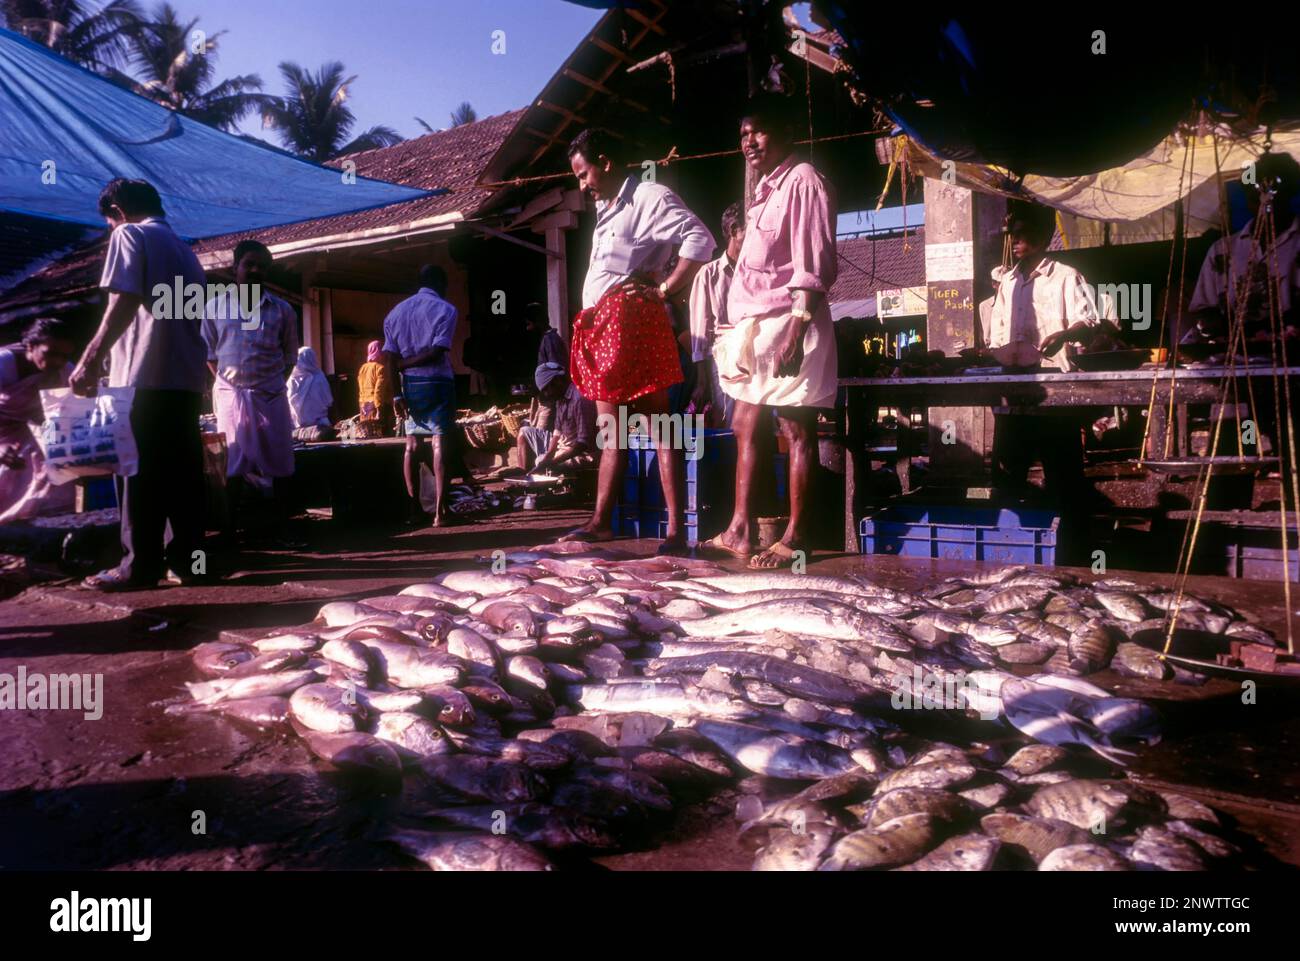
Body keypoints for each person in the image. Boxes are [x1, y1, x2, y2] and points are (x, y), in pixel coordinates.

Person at [562, 127, 715, 554]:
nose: (582, 184)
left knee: (659, 427)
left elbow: (700, 239)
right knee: (610, 430)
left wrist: (665, 288)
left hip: (635, 325)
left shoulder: (650, 197)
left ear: (606, 163)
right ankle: (600, 523)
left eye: (583, 173)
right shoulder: (607, 208)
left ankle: (675, 531)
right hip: (603, 326)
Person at [705, 96, 838, 568]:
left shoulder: (803, 180)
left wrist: (797, 330)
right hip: (758, 328)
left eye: (758, 131)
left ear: (784, 133)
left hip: (791, 322)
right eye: (743, 134)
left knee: (795, 428)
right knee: (744, 421)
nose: (749, 141)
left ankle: (798, 534)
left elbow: (815, 264)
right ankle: (740, 528)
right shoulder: (765, 190)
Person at [69, 178, 209, 591]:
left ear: (117, 211)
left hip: (141, 377)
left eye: (109, 222)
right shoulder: (186, 251)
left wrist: (90, 359)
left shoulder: (130, 234)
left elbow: (123, 300)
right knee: (183, 476)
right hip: (184, 380)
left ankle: (139, 565)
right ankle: (188, 563)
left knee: (138, 474)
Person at [984, 201, 1099, 504]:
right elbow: (997, 334)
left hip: (1055, 388)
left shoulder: (1066, 276)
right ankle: (1017, 540)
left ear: (1044, 236)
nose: (1015, 241)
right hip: (1014, 386)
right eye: (1012, 234)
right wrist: (991, 353)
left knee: (1063, 475)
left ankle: (1069, 539)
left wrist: (1066, 334)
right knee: (1009, 474)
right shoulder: (1007, 283)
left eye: (1023, 233)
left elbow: (1088, 322)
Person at [202, 240, 298, 537]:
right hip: (230, 397)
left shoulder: (282, 310)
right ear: (236, 268)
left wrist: (267, 387)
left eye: (262, 266)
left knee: (281, 463)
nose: (256, 270)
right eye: (250, 264)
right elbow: (210, 355)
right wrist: (234, 388)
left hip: (271, 396)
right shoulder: (214, 306)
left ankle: (285, 529)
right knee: (232, 465)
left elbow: (289, 357)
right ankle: (230, 533)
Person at [383, 264, 461, 526]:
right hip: (437, 381)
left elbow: (390, 360)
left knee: (411, 445)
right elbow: (438, 350)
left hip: (409, 387)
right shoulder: (447, 310)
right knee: (440, 443)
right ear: (442, 285)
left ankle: (414, 509)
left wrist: (396, 395)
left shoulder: (395, 313)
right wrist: (404, 366)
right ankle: (440, 512)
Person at [0, 318, 77, 522]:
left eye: (64, 356)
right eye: (50, 354)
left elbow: (61, 416)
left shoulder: (66, 372)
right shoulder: (3, 364)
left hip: (34, 434)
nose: (58, 362)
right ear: (31, 346)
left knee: (54, 473)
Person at [689, 201, 746, 427]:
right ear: (734, 231)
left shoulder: (756, 272)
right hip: (723, 362)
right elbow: (699, 335)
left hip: (756, 359)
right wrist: (702, 380)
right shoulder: (708, 275)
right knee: (732, 423)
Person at [516, 361, 597, 473]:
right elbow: (557, 431)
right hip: (562, 445)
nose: (547, 394)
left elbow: (583, 444)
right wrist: (549, 454)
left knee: (540, 461)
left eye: (547, 389)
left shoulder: (579, 399)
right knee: (524, 432)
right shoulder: (560, 398)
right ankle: (524, 474)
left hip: (580, 453)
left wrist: (552, 461)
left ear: (558, 381)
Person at [287, 346, 333, 432]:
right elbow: (328, 401)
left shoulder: (291, 379)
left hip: (296, 426)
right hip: (319, 425)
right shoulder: (320, 376)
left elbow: (288, 401)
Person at [357, 339, 391, 427]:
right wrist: (379, 411)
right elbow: (378, 391)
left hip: (363, 406)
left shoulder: (363, 368)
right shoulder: (381, 368)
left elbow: (361, 389)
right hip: (375, 406)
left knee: (366, 434)